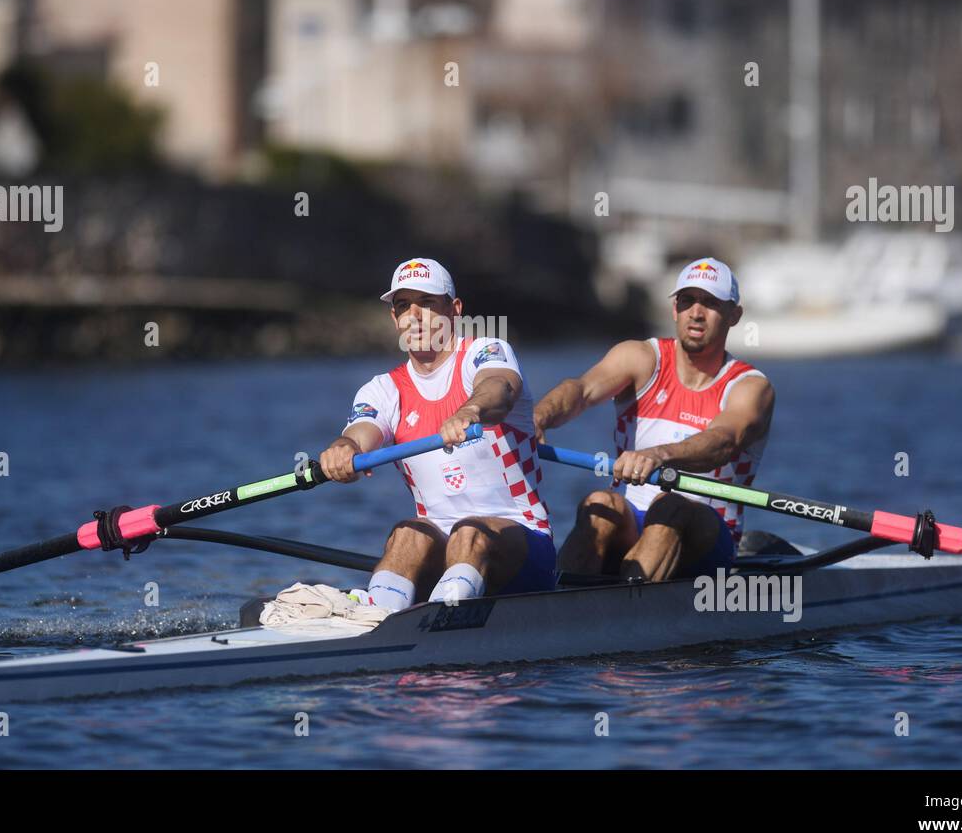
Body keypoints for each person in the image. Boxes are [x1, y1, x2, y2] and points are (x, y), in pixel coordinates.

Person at [318, 258, 555, 609]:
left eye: (427, 303)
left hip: (524, 545)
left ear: (455, 309)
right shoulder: (382, 390)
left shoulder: (487, 351)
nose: (415, 315)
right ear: (395, 320)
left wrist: (471, 410)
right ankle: (376, 619)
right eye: (403, 306)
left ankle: (440, 624)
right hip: (442, 550)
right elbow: (360, 434)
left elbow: (499, 389)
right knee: (406, 534)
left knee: (469, 532)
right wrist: (343, 449)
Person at [533, 258, 774, 582]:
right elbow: (580, 391)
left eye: (710, 303)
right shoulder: (641, 358)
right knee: (598, 503)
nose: (697, 313)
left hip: (707, 537)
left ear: (734, 315)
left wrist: (657, 455)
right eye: (687, 301)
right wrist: (538, 418)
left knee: (669, 504)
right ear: (675, 309)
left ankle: (629, 608)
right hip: (631, 523)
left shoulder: (749, 387)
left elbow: (724, 442)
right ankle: (554, 602)